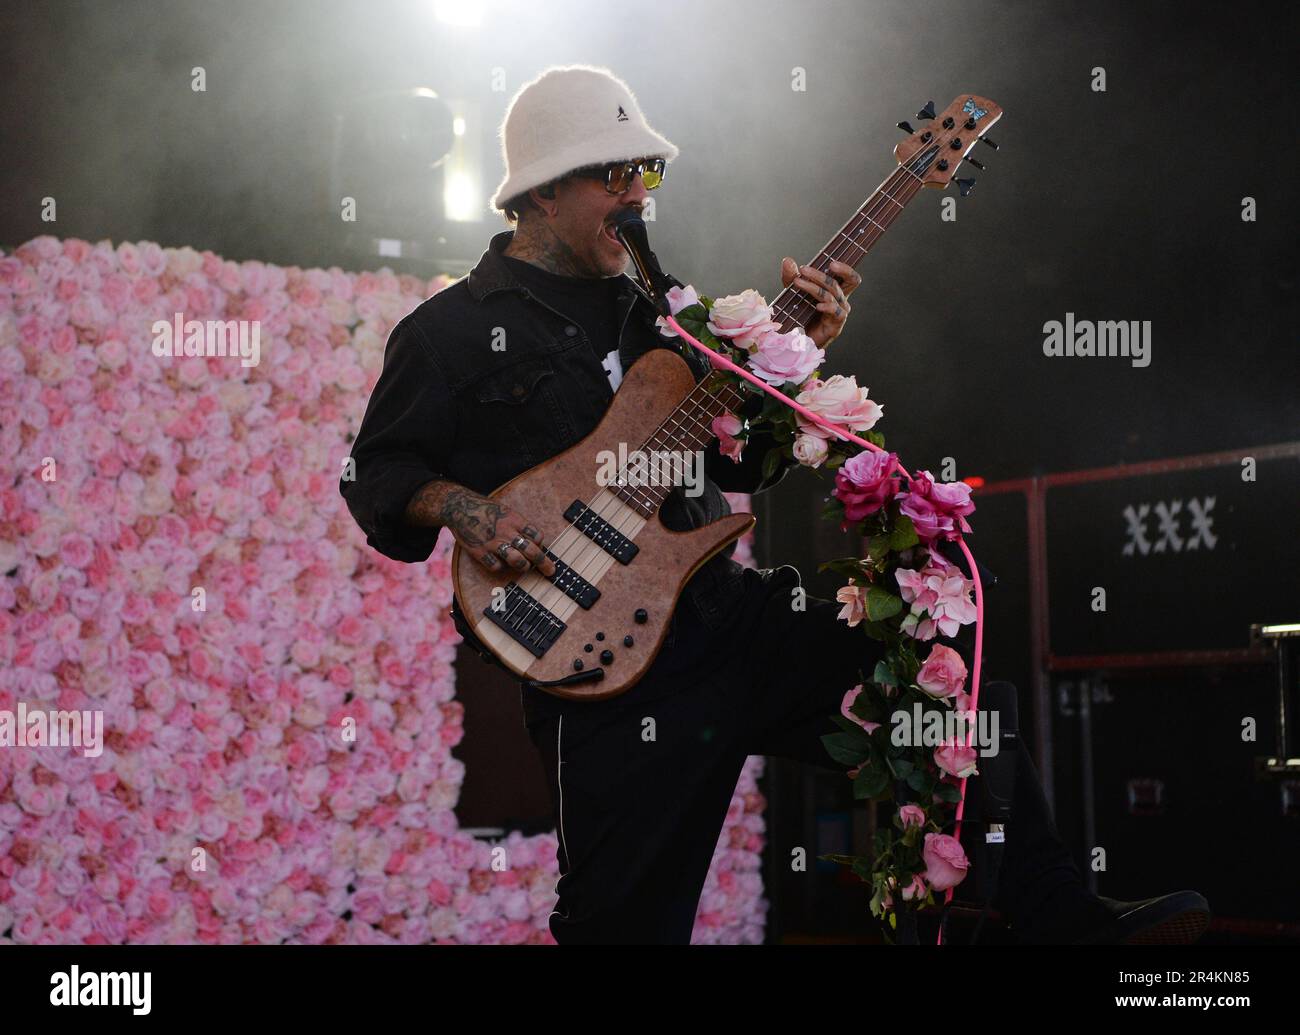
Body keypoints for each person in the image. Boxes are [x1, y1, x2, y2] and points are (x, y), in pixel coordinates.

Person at [339, 64, 1209, 945]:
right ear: (539, 191)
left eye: (649, 171)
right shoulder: (445, 332)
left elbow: (743, 464)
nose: (640, 193)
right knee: (619, 927)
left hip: (724, 615)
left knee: (936, 679)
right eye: (616, 174)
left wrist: (795, 362)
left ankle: (1067, 918)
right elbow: (375, 474)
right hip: (600, 668)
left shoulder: (662, 311)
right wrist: (464, 508)